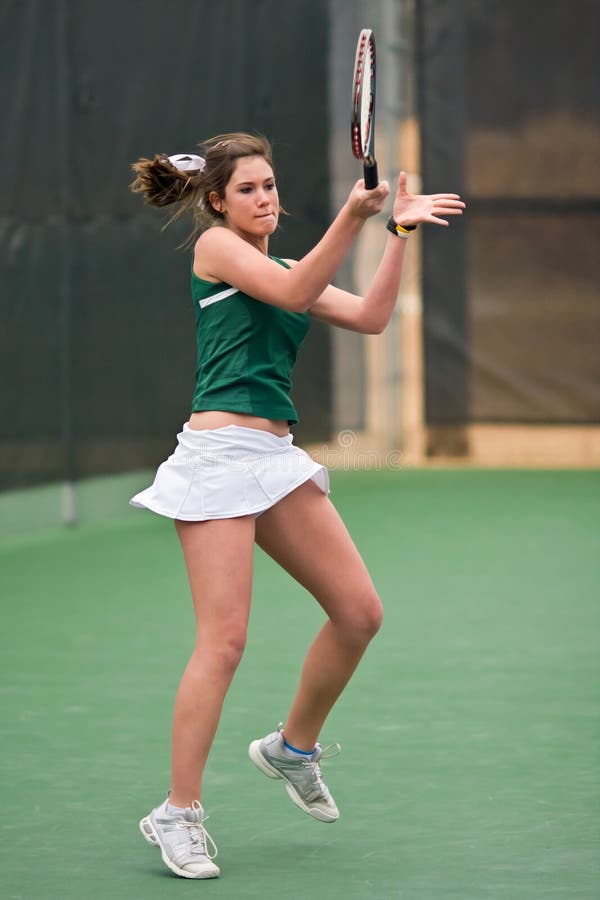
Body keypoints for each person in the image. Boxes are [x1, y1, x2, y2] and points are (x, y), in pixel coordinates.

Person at [129, 132, 465, 879]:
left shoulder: (284, 263)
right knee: (224, 642)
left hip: (275, 461)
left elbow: (373, 316)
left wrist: (398, 232)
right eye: (248, 188)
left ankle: (292, 748)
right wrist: (351, 215)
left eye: (272, 185)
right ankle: (177, 813)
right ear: (217, 201)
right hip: (217, 460)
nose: (266, 198)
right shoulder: (217, 250)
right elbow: (290, 295)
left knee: (359, 613)